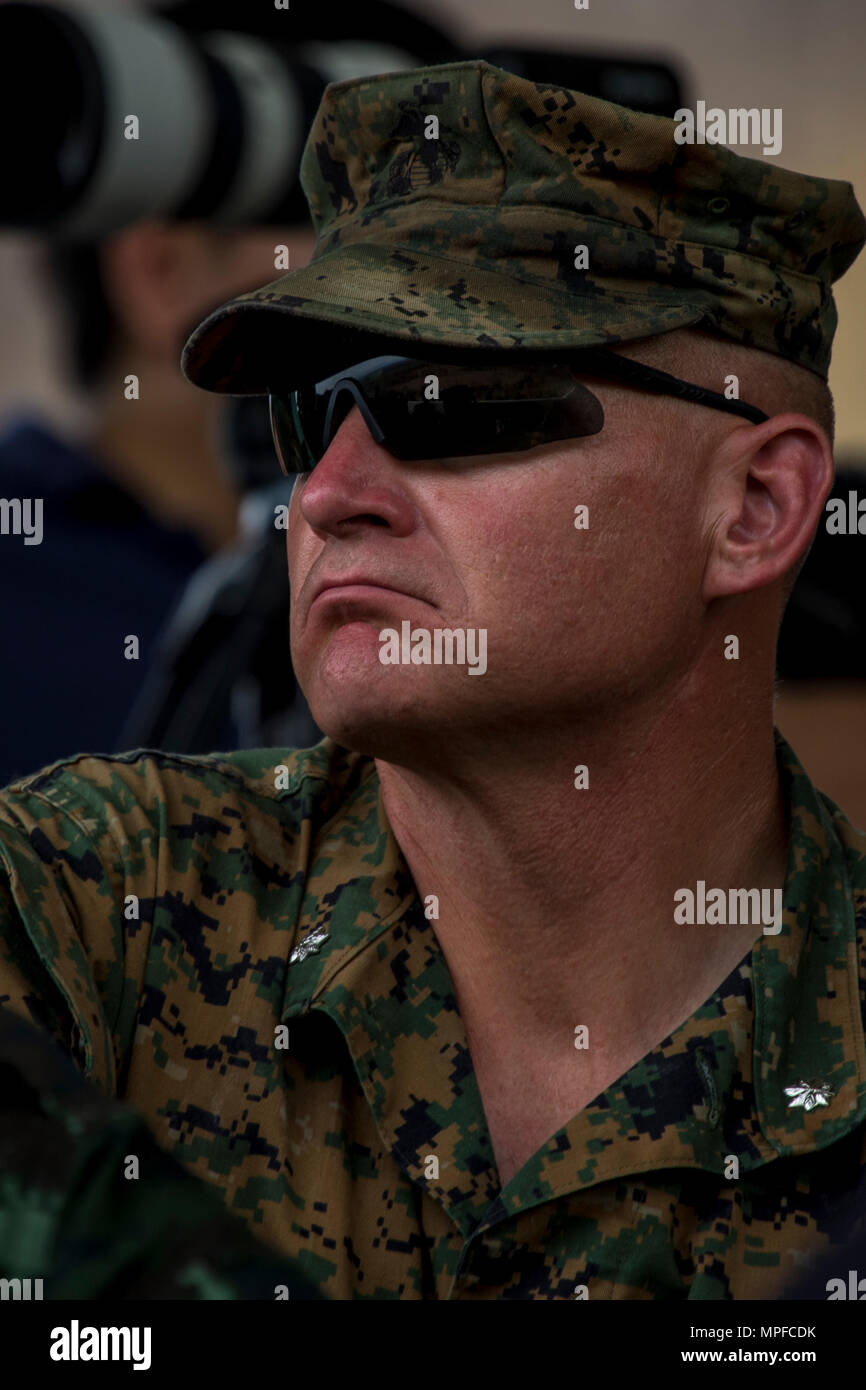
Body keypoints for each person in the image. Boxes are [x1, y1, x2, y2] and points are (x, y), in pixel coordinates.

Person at [1, 59, 864, 1301]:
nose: (330, 495)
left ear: (755, 505)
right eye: (307, 416)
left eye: (448, 401)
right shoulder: (93, 902)